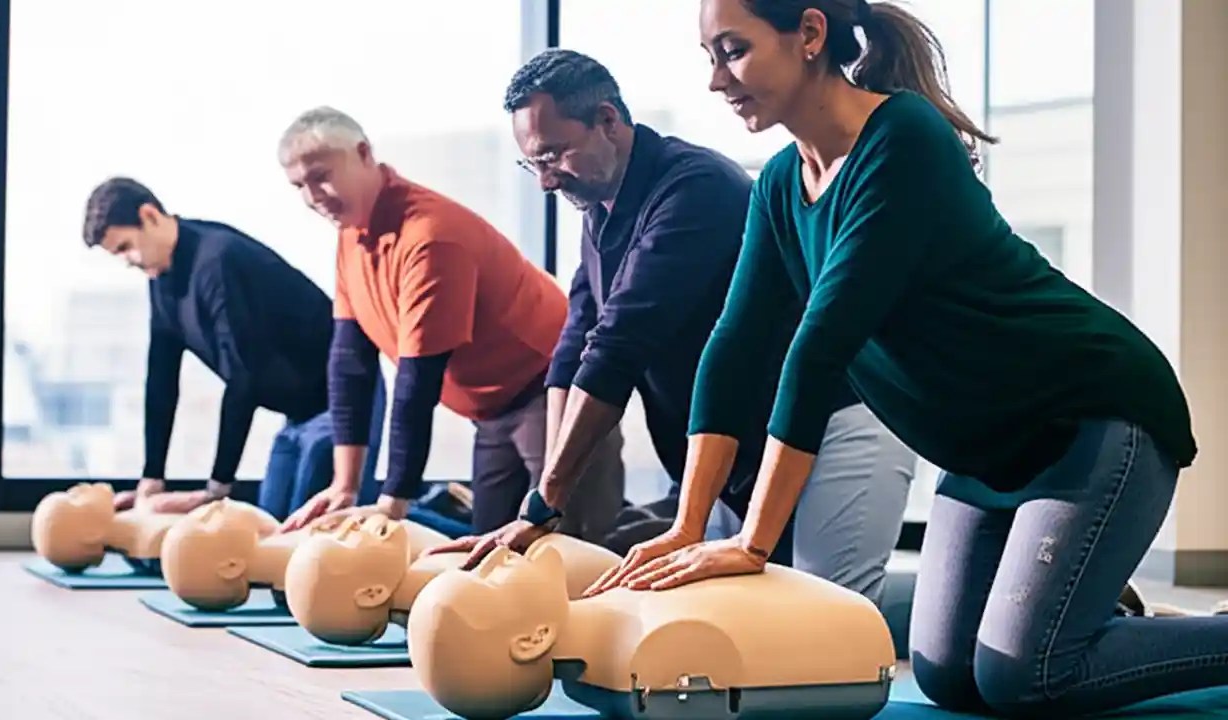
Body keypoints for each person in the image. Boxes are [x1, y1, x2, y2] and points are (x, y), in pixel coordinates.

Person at [586, 0, 1228, 717]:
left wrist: (753, 543)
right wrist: (688, 524)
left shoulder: (904, 137)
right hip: (984, 454)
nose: (716, 80)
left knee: (1028, 677)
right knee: (949, 674)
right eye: (709, 56)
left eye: (732, 50)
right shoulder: (778, 185)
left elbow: (822, 344)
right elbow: (734, 347)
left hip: (1090, 416)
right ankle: (1101, 613)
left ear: (808, 34)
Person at [429, 48, 916, 608]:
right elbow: (575, 346)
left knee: (827, 622)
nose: (544, 181)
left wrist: (545, 503)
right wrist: (544, 499)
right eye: (532, 164)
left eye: (555, 155)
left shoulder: (694, 189)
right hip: (736, 449)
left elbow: (619, 346)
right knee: (738, 621)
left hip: (831, 423)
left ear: (608, 121)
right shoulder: (601, 212)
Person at [275, 107, 624, 541]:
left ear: (363, 153)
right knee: (491, 552)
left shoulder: (429, 236)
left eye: (320, 176)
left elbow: (417, 384)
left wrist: (393, 502)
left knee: (568, 542)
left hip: (550, 387)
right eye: (299, 186)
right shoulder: (352, 237)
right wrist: (344, 486)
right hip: (491, 410)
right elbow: (350, 364)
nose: (313, 196)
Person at [81, 177, 386, 519]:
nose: (128, 261)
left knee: (320, 528)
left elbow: (244, 378)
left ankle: (442, 510)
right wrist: (151, 481)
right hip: (298, 414)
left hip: (346, 398)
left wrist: (216, 489)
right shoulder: (161, 279)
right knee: (270, 528)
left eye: (125, 247)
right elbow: (161, 381)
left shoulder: (216, 261)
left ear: (150, 216)